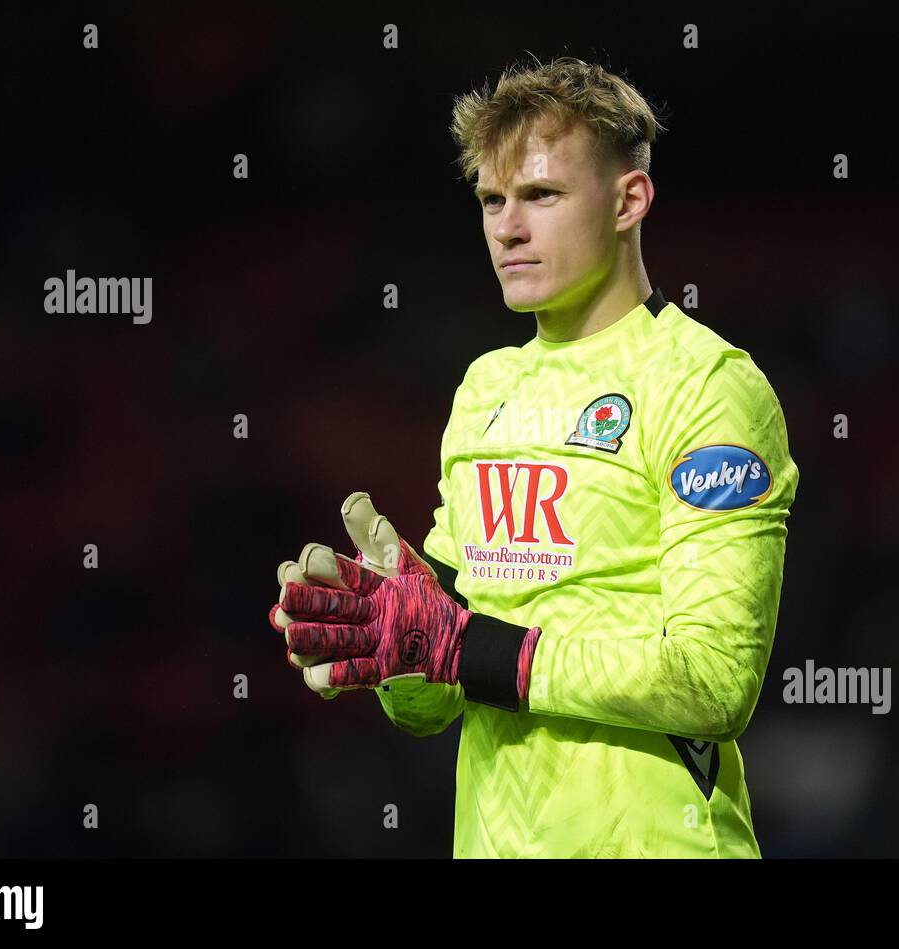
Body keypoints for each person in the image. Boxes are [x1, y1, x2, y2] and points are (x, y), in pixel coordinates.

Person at [269, 55, 799, 858]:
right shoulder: (488, 387)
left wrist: (466, 646)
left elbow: (713, 680)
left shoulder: (707, 386)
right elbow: (433, 705)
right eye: (492, 199)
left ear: (629, 201)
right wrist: (390, 642)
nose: (507, 227)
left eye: (541, 195)